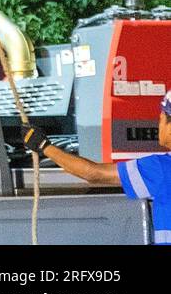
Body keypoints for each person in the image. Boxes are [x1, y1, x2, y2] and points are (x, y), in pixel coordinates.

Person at [22, 90, 171, 245]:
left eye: (161, 119)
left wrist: (44, 146)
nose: (158, 124)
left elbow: (93, 173)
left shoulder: (161, 169)